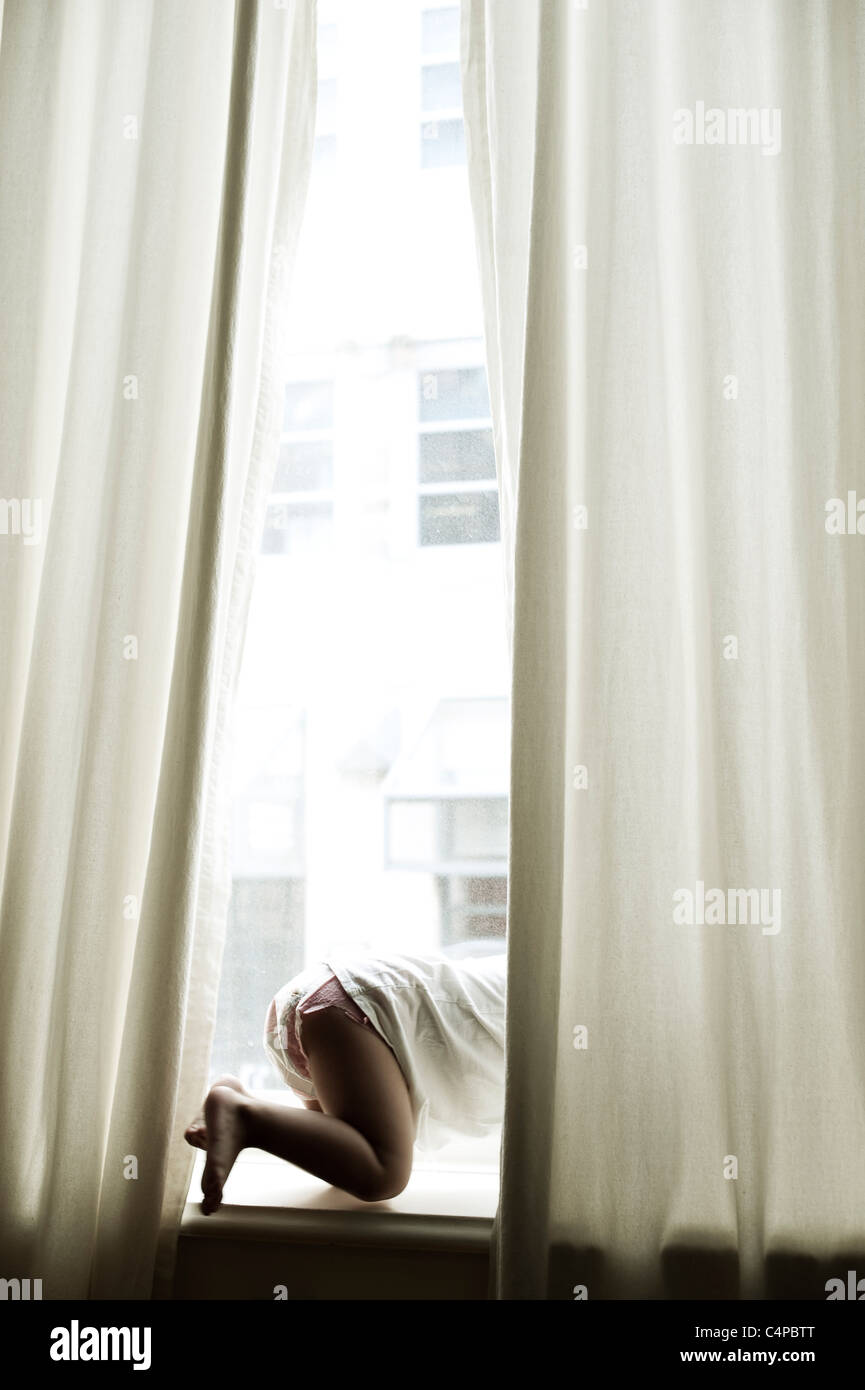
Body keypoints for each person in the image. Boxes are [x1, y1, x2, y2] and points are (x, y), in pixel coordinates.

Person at [185, 947, 507, 1214]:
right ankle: (243, 1115)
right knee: (384, 1173)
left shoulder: (526, 977)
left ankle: (242, 1102)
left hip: (334, 1000)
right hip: (355, 1012)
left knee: (345, 1160)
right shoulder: (548, 1017)